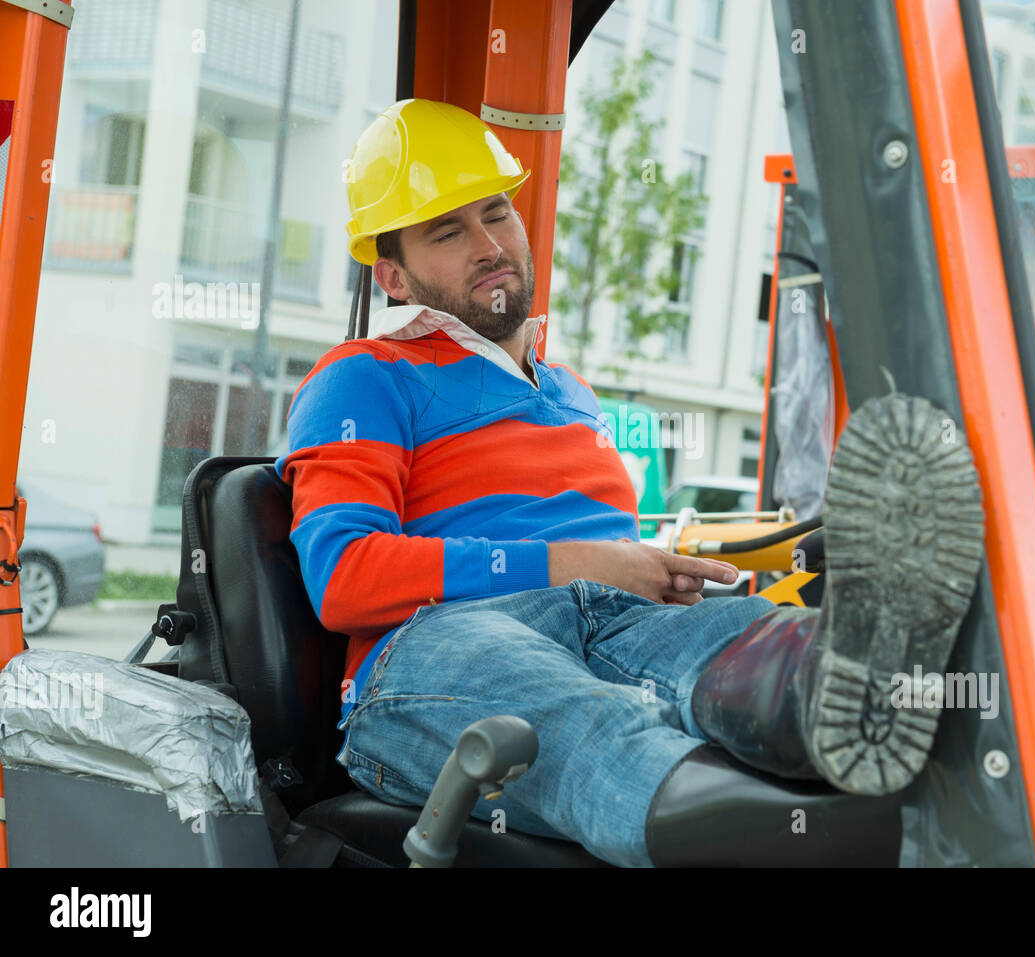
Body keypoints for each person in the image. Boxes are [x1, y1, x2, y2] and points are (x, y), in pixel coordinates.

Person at [275, 99, 985, 867]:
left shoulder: (569, 391)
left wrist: (650, 567)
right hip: (440, 648)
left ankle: (838, 689)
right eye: (448, 232)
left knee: (744, 646)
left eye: (496, 212)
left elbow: (601, 562)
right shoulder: (363, 377)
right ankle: (790, 841)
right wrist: (577, 564)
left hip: (616, 618)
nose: (489, 244)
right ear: (394, 276)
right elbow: (344, 576)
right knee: (580, 717)